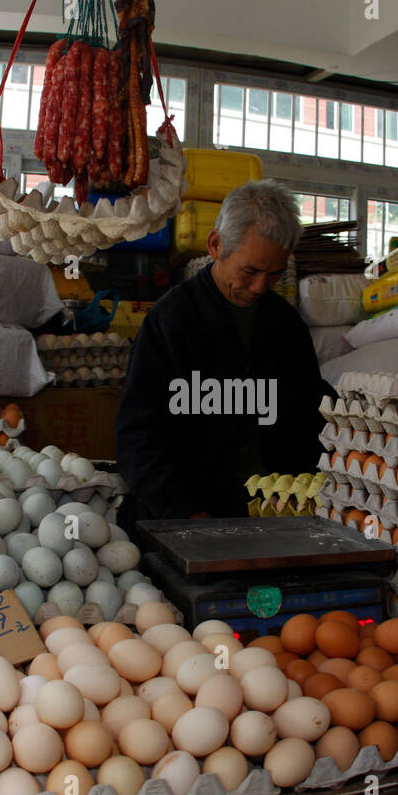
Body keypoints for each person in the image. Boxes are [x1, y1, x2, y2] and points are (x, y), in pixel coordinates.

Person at [115, 179, 331, 534]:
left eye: (274, 273)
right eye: (250, 271)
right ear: (215, 245)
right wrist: (187, 514)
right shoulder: (172, 321)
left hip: (272, 519)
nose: (261, 287)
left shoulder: (285, 324)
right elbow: (138, 435)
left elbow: (309, 414)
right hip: (188, 515)